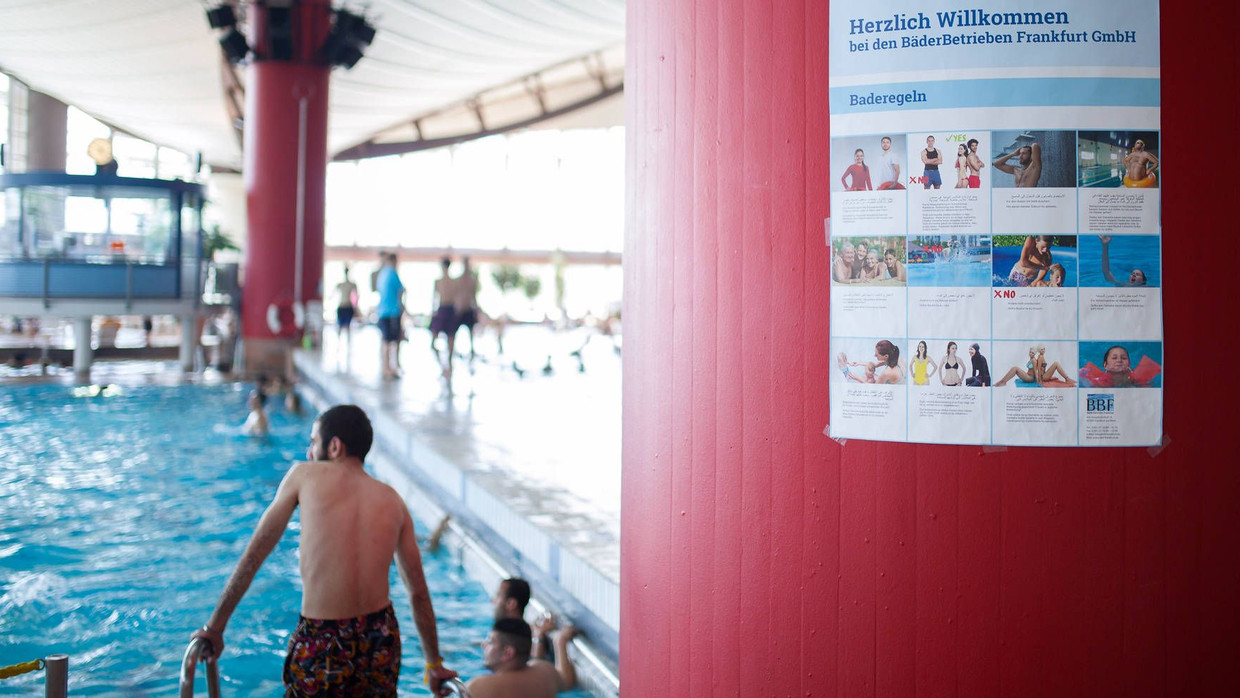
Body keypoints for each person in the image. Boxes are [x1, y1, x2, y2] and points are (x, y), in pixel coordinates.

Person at [192, 405, 457, 695]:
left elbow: (254, 556)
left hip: (322, 636)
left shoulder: (304, 475)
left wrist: (215, 627)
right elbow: (417, 591)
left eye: (313, 443)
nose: (309, 453)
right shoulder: (393, 500)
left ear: (334, 446)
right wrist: (433, 663)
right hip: (379, 638)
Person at [466, 618, 578, 698]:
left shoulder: (479, 687)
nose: (483, 645)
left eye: (490, 641)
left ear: (508, 653)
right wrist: (560, 643)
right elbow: (567, 682)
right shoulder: (545, 672)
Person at [375, 253, 406, 380]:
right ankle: (390, 368)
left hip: (382, 311)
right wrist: (403, 306)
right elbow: (401, 290)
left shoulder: (381, 274)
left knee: (385, 341)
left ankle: (386, 368)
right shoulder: (392, 273)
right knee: (391, 341)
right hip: (392, 312)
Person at [450, 256, 481, 371]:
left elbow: (474, 296)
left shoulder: (472, 281)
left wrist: (477, 310)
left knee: (471, 334)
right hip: (459, 311)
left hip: (468, 310)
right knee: (453, 335)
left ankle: (472, 355)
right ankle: (452, 356)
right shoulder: (458, 280)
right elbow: (455, 296)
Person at [1079, 345, 1162, 388]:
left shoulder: (1137, 379)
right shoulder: (1098, 381)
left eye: (1124, 358)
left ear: (1129, 363)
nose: (1119, 360)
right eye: (1114, 358)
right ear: (1105, 365)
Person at [429, 257, 458, 377]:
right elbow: (434, 300)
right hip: (443, 310)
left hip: (447, 310)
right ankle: (445, 366)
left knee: (450, 340)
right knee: (436, 342)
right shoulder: (439, 281)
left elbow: (434, 300)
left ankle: (448, 366)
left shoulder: (452, 282)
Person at [837, 339, 903, 384]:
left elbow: (873, 388)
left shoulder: (886, 373)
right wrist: (859, 363)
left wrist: (857, 378)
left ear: (885, 356)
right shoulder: (893, 357)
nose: (874, 355)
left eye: (876, 354)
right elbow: (874, 364)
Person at [334, 266, 358, 347]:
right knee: (341, 326)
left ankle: (347, 344)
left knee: (346, 326)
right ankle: (338, 344)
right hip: (343, 306)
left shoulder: (352, 284)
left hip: (347, 306)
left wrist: (356, 308)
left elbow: (357, 296)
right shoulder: (341, 284)